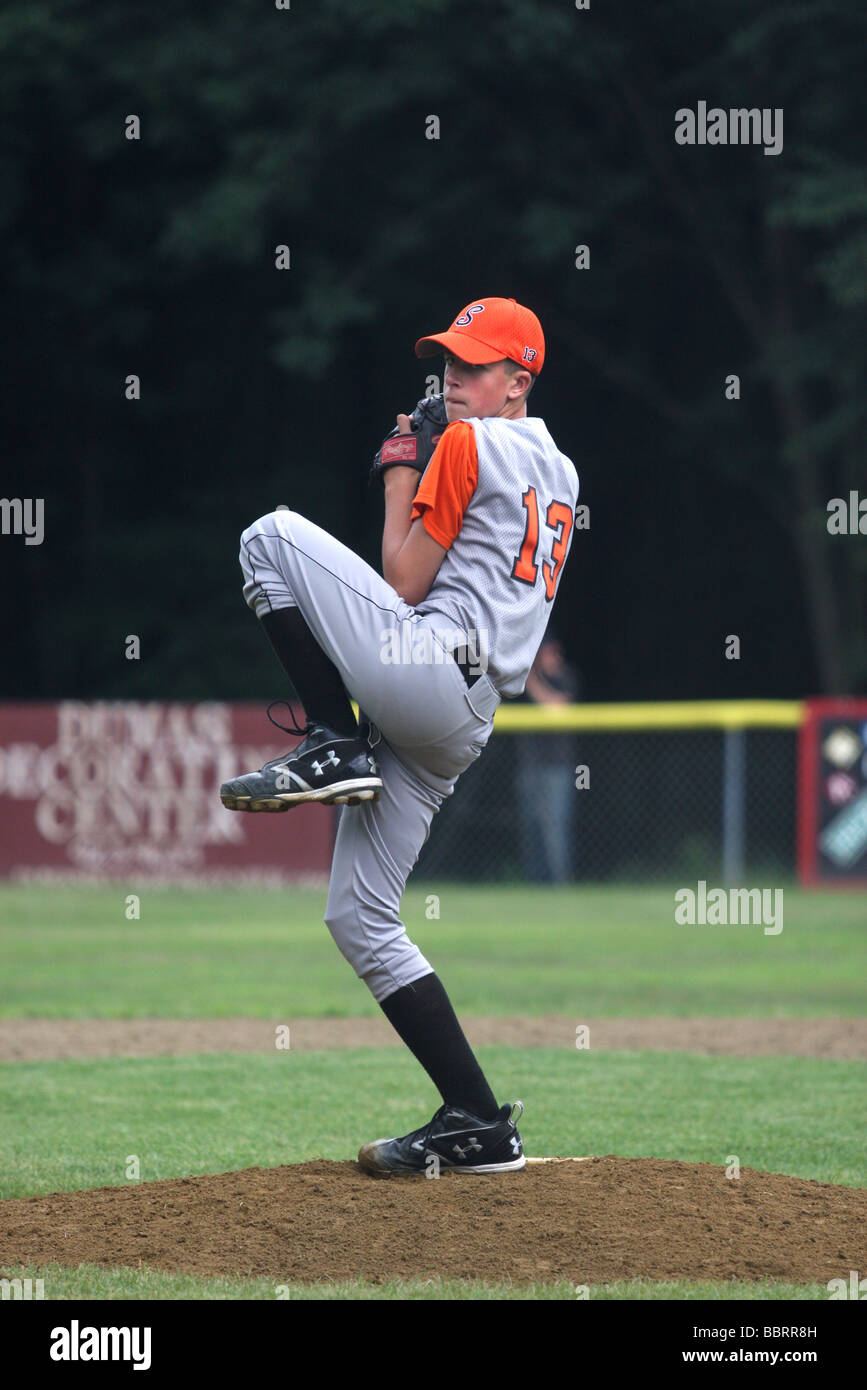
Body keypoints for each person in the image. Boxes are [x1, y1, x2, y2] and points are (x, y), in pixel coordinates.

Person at [220, 297, 579, 1175]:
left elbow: (403, 576)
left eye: (474, 366)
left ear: (517, 380)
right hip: (463, 720)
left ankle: (328, 742)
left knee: (267, 538)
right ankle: (478, 1121)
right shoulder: (562, 469)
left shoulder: (463, 443)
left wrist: (398, 470)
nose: (453, 379)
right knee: (360, 917)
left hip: (428, 668)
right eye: (448, 362)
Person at [518, 634, 582, 883]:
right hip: (529, 766)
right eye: (545, 653)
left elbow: (556, 707)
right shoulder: (523, 680)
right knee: (531, 826)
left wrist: (530, 679)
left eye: (553, 653)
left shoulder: (566, 677)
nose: (550, 658)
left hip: (558, 768)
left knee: (556, 828)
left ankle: (559, 882)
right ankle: (534, 881)